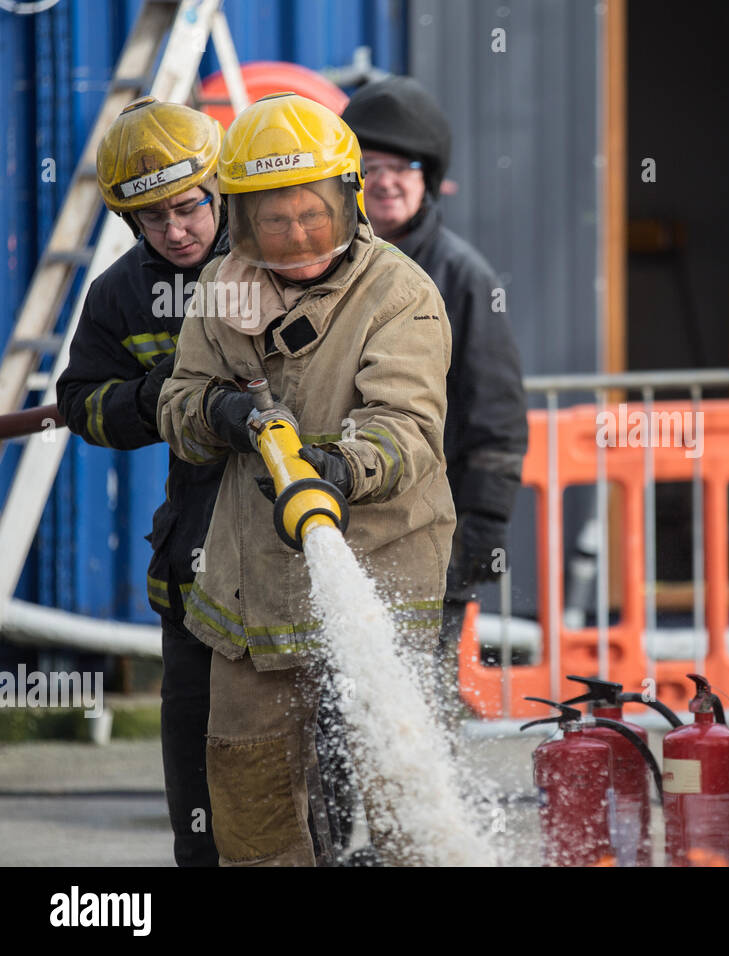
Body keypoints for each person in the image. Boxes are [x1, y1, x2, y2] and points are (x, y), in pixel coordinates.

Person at [157, 92, 455, 866]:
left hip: (378, 566)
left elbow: (407, 428)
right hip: (249, 586)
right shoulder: (223, 286)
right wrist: (217, 415)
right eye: (273, 219)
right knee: (248, 791)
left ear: (349, 202)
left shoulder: (400, 295)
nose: (294, 235)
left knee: (400, 793)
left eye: (311, 214)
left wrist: (336, 469)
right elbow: (178, 401)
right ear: (243, 218)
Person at [55, 96, 227, 868]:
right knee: (197, 803)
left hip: (297, 558)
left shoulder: (285, 264)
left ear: (220, 190)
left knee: (300, 797)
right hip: (191, 574)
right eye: (152, 218)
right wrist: (148, 398)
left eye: (188, 207)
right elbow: (80, 402)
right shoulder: (122, 293)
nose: (176, 230)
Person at [342, 77, 527, 683]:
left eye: (405, 165)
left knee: (417, 701)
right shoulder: (319, 269)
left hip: (430, 535)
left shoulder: (463, 276)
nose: (388, 180)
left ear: (430, 177)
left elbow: (497, 419)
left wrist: (480, 533)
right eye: (372, 165)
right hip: (336, 528)